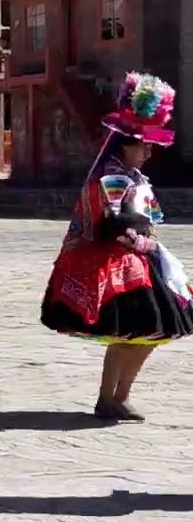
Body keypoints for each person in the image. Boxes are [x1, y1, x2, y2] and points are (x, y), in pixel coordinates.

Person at [41, 72, 190, 421]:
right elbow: (111, 222)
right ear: (125, 144)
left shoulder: (131, 176)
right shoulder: (112, 176)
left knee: (152, 332)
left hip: (141, 261)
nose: (149, 151)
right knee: (129, 332)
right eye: (144, 144)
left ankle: (118, 397)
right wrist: (141, 242)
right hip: (120, 263)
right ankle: (109, 398)